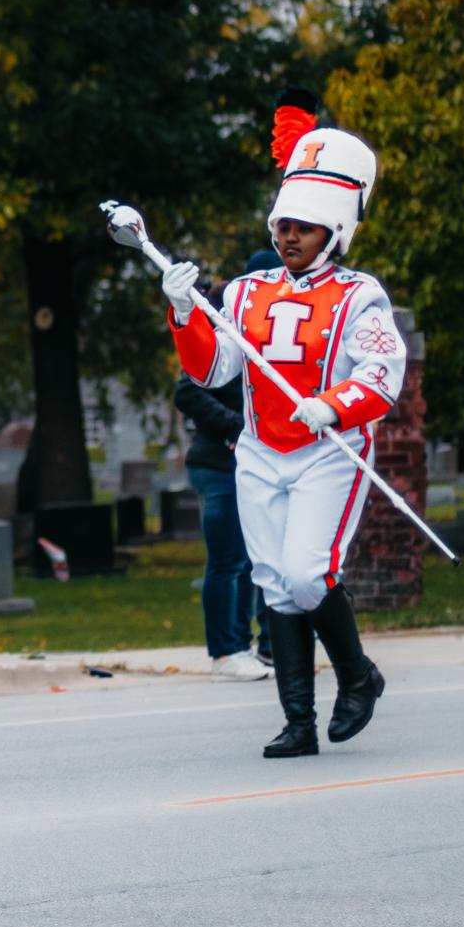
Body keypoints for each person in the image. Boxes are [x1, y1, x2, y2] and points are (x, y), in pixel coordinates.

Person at [162, 98, 404, 758]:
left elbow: (383, 372)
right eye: (282, 224)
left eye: (303, 226)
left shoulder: (359, 294)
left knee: (304, 574)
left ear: (334, 232)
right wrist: (185, 312)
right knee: (272, 581)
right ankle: (298, 721)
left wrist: (333, 403)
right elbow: (213, 369)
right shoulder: (243, 293)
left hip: (328, 450)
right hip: (258, 451)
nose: (287, 236)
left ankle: (357, 675)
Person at [173, 251, 281, 683]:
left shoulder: (277, 328)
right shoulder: (226, 322)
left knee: (260, 560)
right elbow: (189, 390)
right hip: (219, 461)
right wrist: (239, 427)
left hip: (259, 460)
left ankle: (266, 646)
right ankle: (226, 650)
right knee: (228, 559)